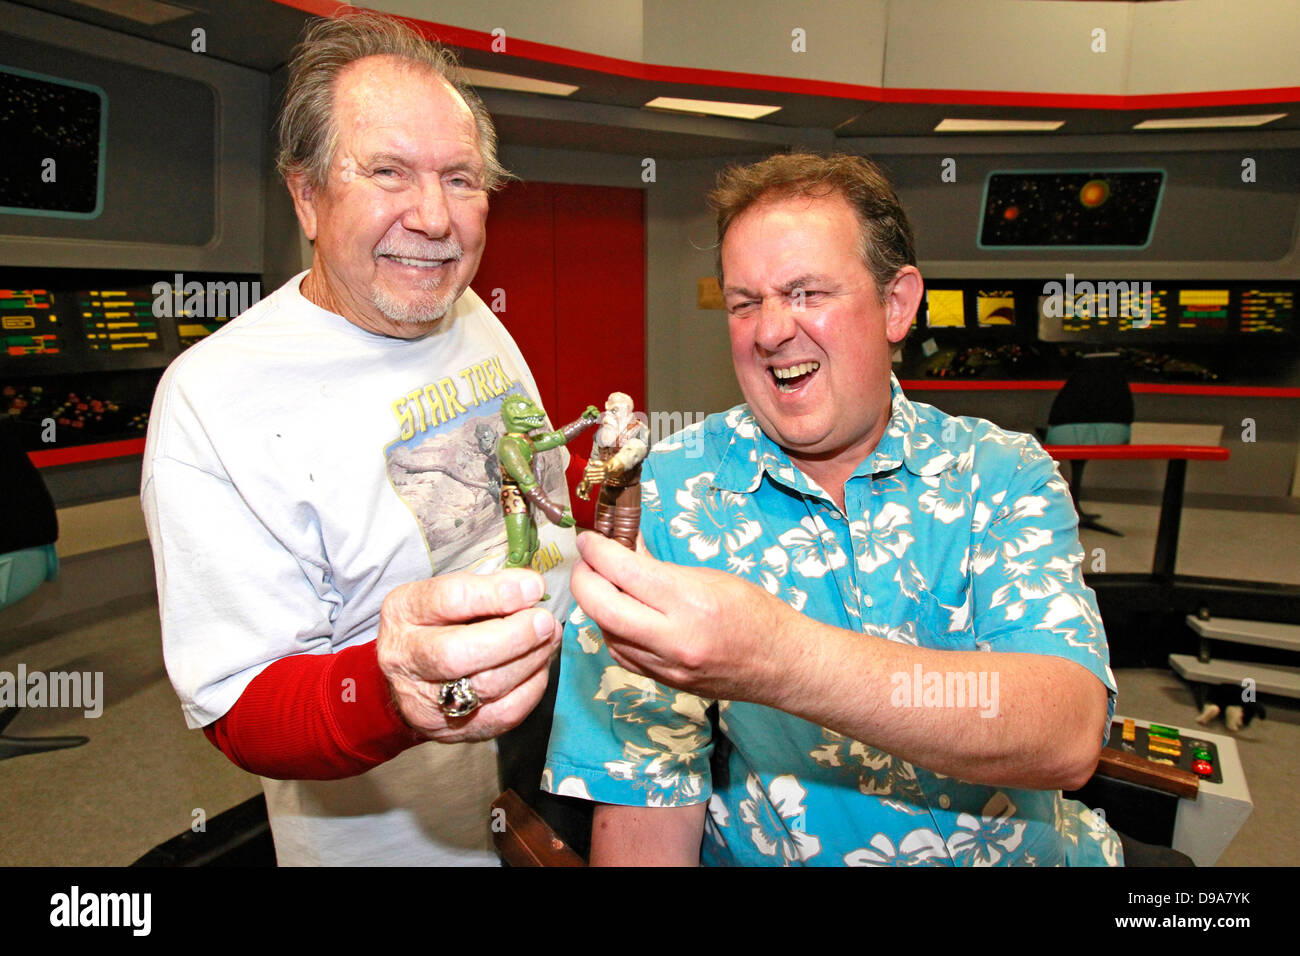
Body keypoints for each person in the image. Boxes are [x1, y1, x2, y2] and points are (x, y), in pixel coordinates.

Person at [543, 153, 1125, 866]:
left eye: (807, 292)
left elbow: (1066, 734)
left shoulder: (1002, 475)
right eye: (744, 302)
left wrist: (777, 656)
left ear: (898, 304)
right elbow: (644, 805)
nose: (770, 332)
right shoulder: (665, 495)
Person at [142, 12, 577, 865]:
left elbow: (534, 499)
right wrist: (390, 693)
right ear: (306, 196)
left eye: (461, 178)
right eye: (388, 172)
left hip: (560, 758)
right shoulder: (211, 399)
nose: (434, 217)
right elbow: (238, 707)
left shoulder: (474, 315)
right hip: (401, 835)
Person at [578, 392, 650, 549]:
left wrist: (609, 467)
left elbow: (633, 452)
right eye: (610, 410)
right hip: (607, 490)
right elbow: (595, 459)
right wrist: (587, 481)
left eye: (616, 410)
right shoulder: (604, 432)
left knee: (624, 541)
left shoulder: (638, 431)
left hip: (627, 491)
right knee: (601, 534)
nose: (611, 414)